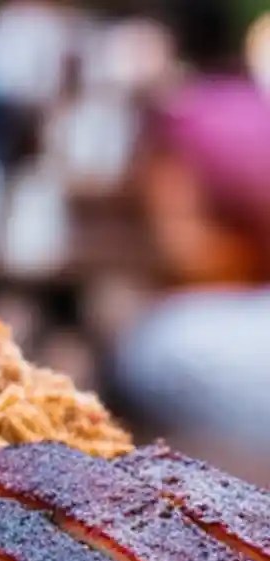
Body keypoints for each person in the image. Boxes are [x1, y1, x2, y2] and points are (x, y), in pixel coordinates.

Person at [116, 0, 270, 446]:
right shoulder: (255, 104)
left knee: (143, 351)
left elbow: (191, 256)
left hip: (248, 320)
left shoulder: (182, 118)